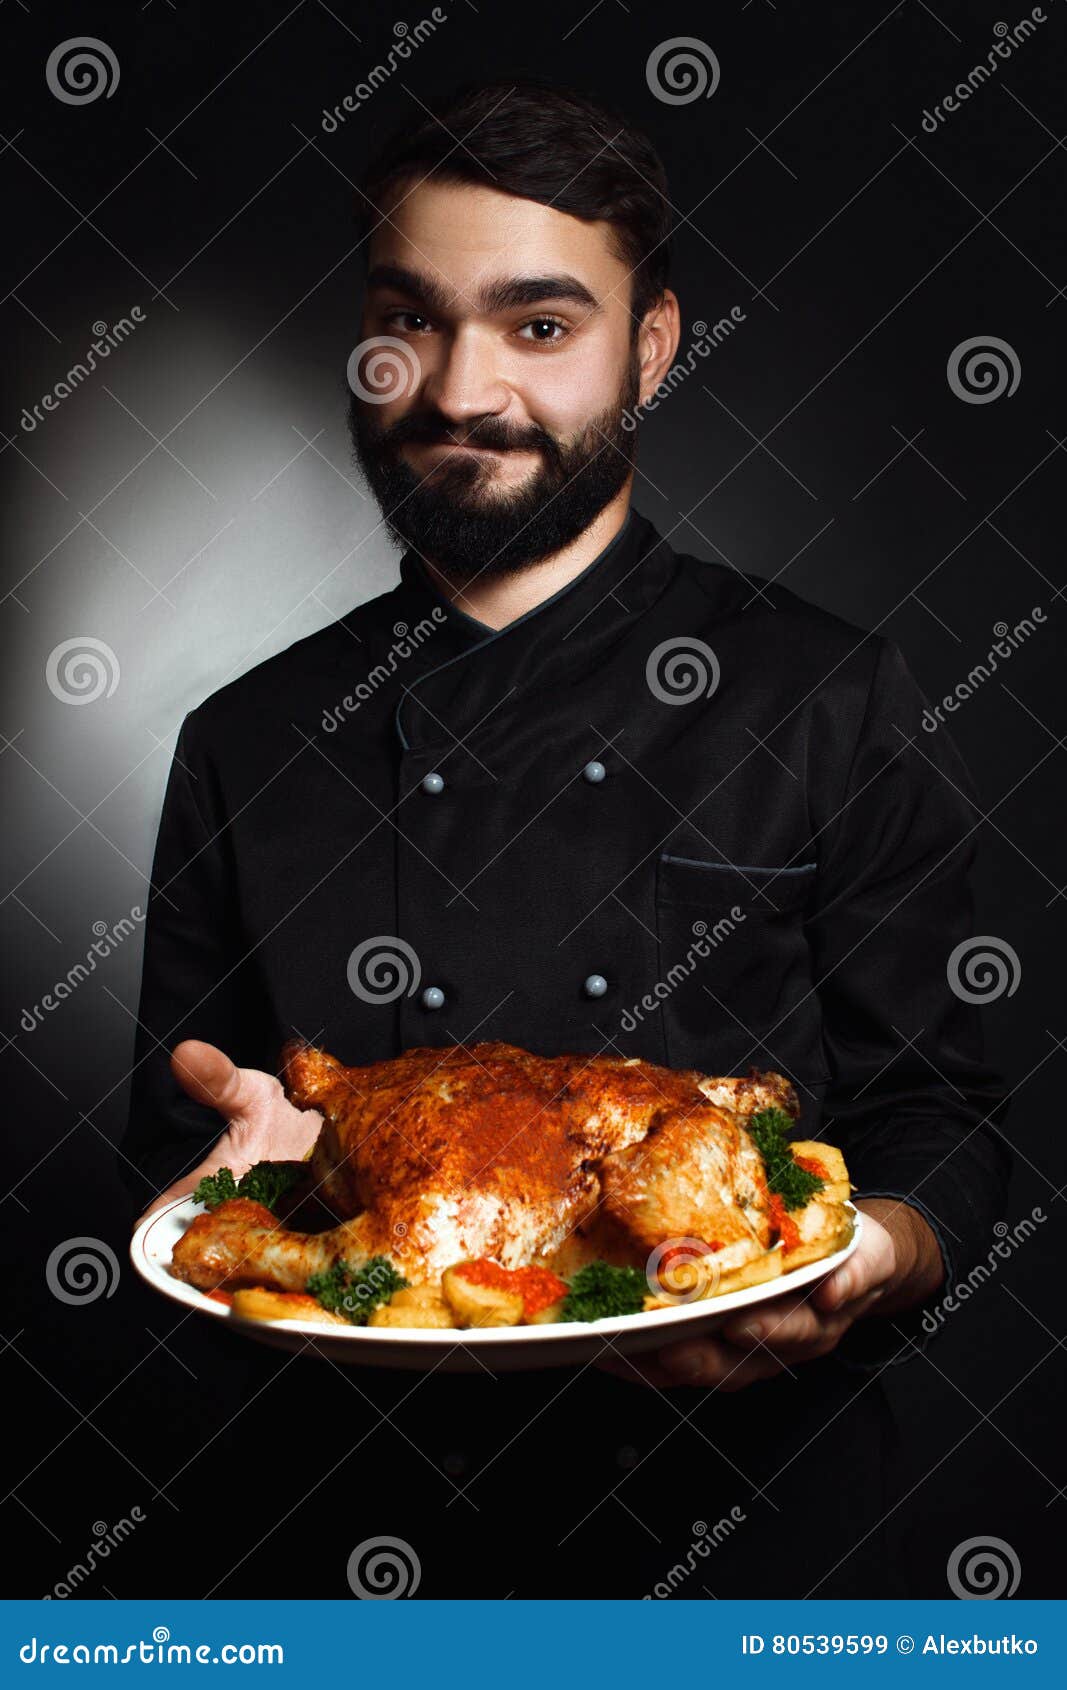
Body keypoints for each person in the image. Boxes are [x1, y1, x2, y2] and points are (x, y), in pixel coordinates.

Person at [121, 79, 1009, 1596]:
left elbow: (955, 1112)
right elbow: (176, 1156)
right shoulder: (246, 739)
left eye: (540, 326)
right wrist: (246, 1176)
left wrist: (874, 1257)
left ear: (651, 347)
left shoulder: (826, 694)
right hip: (340, 1551)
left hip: (752, 1553)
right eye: (415, 317)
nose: (464, 389)